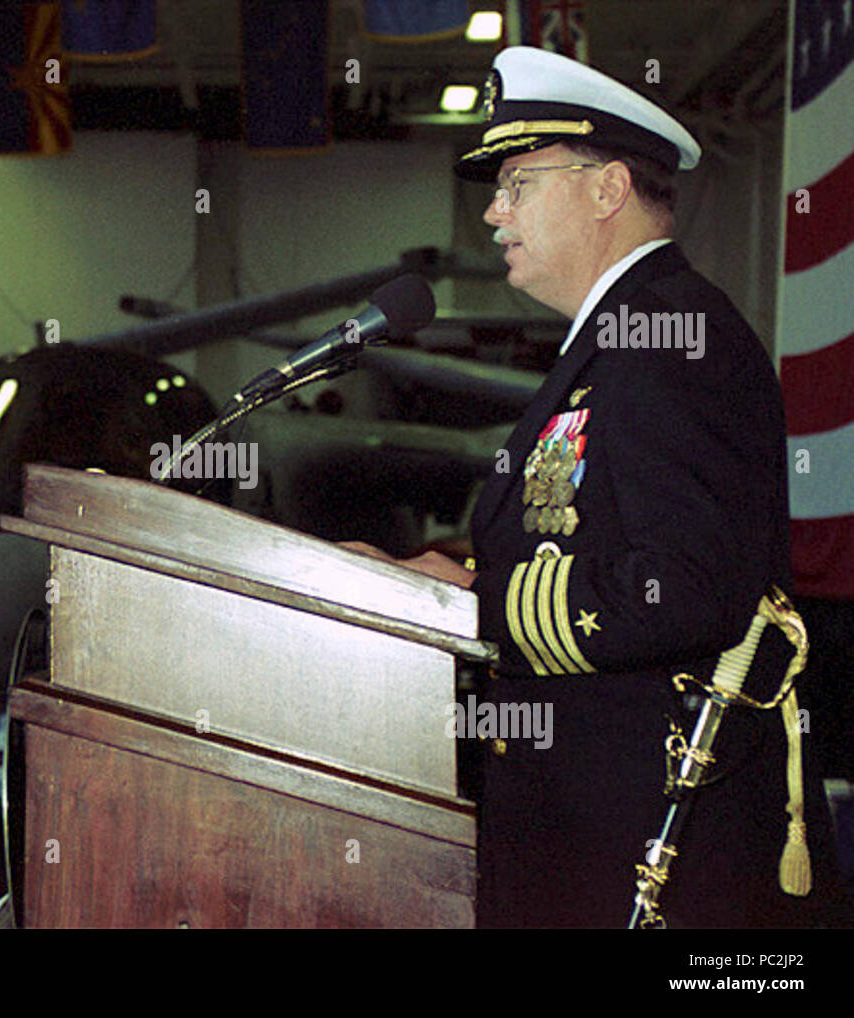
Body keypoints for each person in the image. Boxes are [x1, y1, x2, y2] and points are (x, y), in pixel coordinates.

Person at [345, 46, 842, 927]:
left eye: (518, 183)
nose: (495, 213)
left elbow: (686, 590)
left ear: (607, 188)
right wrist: (452, 584)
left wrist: (465, 608)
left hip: (657, 860)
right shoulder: (617, 341)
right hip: (586, 837)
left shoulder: (669, 338)